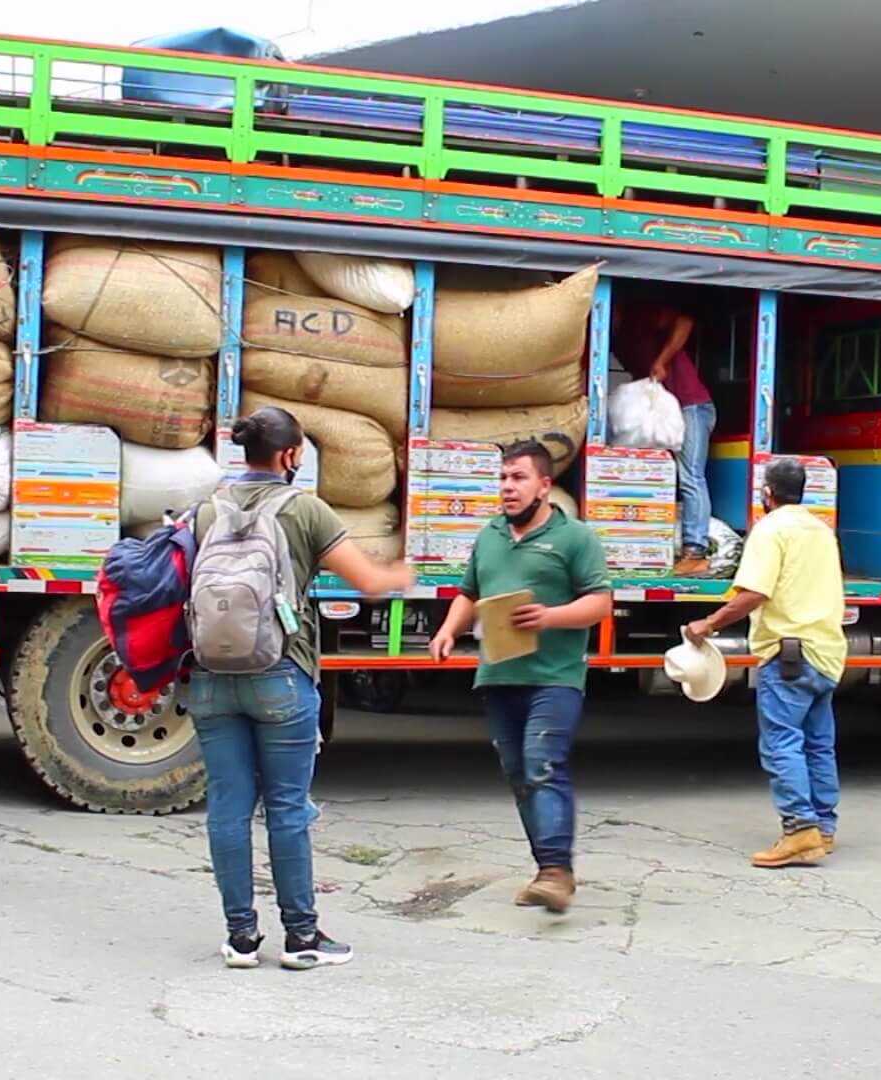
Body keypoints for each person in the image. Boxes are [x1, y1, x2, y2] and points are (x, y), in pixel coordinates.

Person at [188, 407, 417, 971]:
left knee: (227, 807)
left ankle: (241, 938)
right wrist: (402, 574)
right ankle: (301, 937)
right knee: (287, 808)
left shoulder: (207, 511)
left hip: (212, 678)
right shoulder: (304, 509)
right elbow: (367, 581)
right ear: (290, 456)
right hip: (281, 675)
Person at [429, 441, 613, 913]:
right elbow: (469, 592)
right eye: (503, 478)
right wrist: (448, 630)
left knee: (542, 762)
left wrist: (549, 617)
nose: (508, 488)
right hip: (498, 674)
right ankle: (547, 869)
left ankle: (555, 871)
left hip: (555, 676)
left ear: (544, 486)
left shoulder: (574, 538)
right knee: (519, 775)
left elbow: (600, 603)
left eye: (519, 478)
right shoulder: (490, 535)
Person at [680, 458, 847, 867]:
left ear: (767, 493)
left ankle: (800, 830)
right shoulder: (822, 532)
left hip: (789, 654)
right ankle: (823, 828)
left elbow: (754, 592)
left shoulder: (770, 530)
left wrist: (709, 624)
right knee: (818, 744)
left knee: (781, 743)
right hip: (827, 652)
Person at [617, 301, 714, 577]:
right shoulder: (616, 339)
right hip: (664, 413)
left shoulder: (641, 316)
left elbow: (685, 322)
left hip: (692, 406)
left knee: (691, 476)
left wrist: (662, 360)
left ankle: (696, 553)